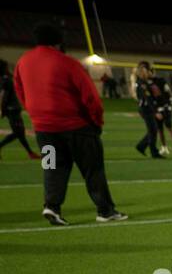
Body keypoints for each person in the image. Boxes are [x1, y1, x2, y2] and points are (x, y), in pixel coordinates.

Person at [13, 22, 125, 225]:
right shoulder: (67, 62)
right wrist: (96, 122)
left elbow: (20, 90)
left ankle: (51, 206)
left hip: (44, 130)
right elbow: (90, 96)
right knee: (93, 168)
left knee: (52, 167)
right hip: (76, 127)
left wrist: (35, 114)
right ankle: (105, 210)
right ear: (58, 42)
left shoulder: (23, 62)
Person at [0, 59, 40, 159]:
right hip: (12, 109)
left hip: (12, 109)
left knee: (20, 133)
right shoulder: (6, 80)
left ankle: (30, 153)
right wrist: (1, 109)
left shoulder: (4, 79)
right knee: (18, 132)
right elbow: (3, 95)